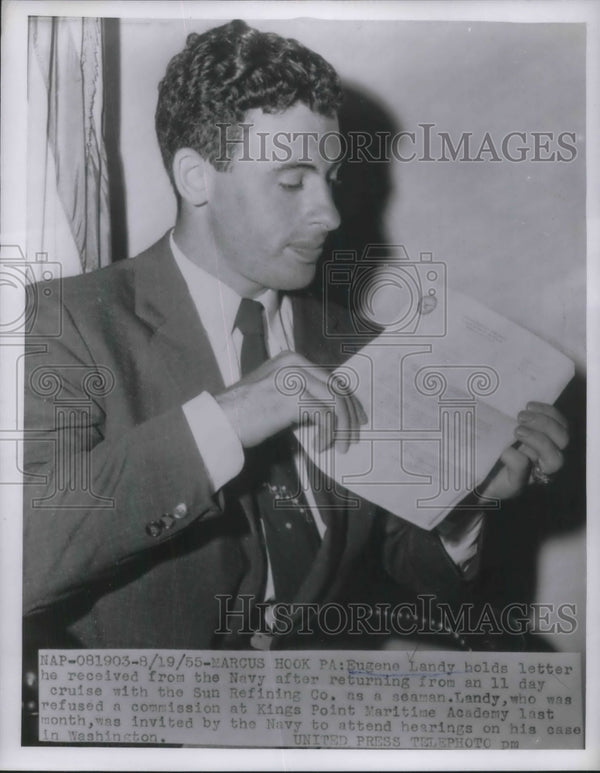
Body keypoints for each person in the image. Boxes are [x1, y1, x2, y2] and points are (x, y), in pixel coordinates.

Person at [22, 20, 569, 651]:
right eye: (292, 181)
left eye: (330, 178)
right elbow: (25, 560)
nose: (329, 214)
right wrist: (226, 421)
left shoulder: (363, 344)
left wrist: (464, 501)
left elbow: (404, 568)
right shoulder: (64, 323)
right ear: (196, 178)